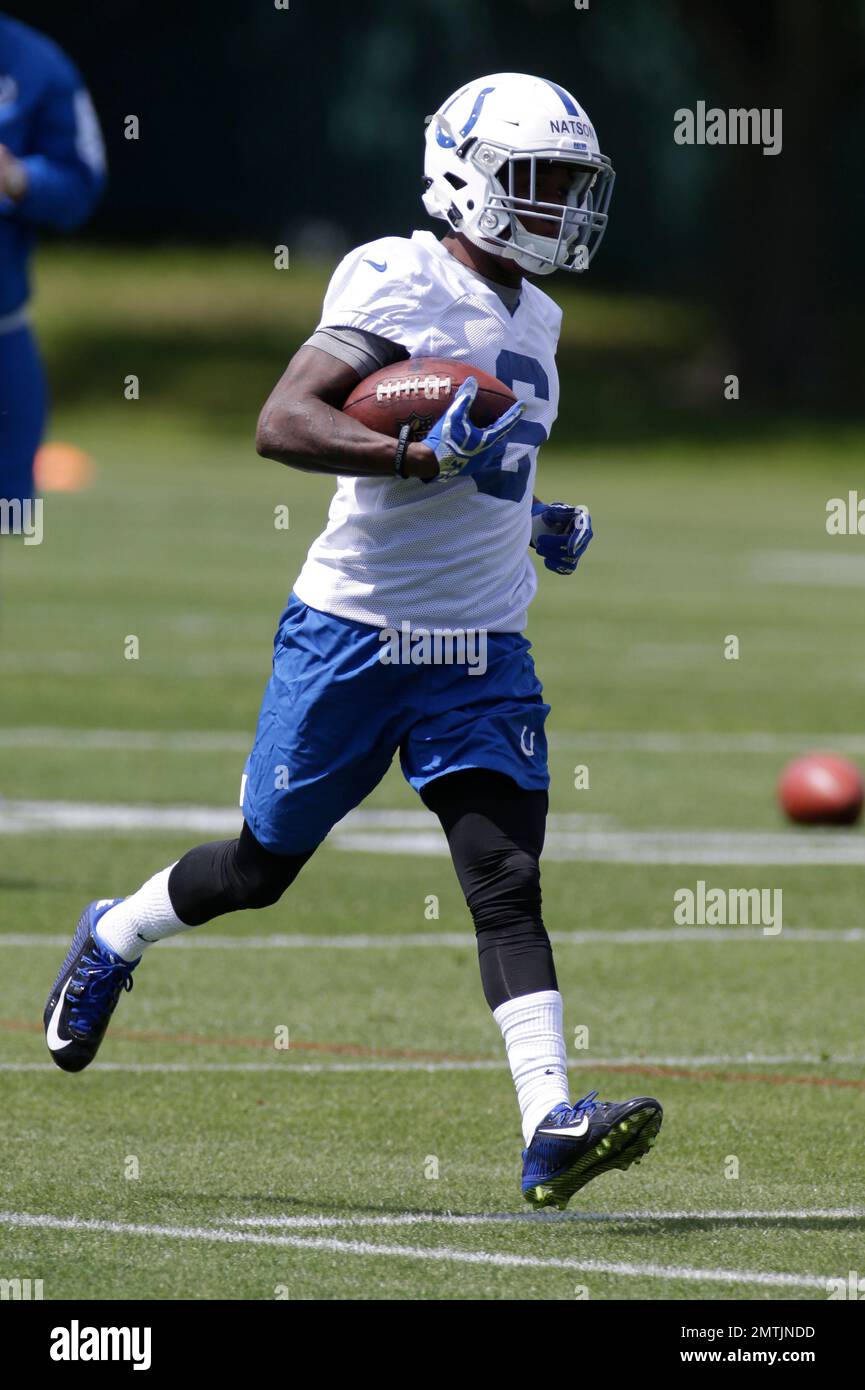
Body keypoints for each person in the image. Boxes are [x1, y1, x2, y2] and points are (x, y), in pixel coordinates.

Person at [44, 72, 662, 1210]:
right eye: (538, 182)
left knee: (504, 878)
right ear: (465, 176)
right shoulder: (397, 273)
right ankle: (117, 931)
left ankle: (549, 1122)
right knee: (258, 867)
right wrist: (410, 459)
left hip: (481, 644)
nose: (561, 206)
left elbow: (483, 457)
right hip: (355, 634)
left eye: (571, 186)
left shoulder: (543, 315)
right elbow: (286, 420)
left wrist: (532, 515)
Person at [0, 13, 105, 512]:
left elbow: (79, 185)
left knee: (10, 518)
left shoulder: (35, 63)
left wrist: (18, 178)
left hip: (4, 331)